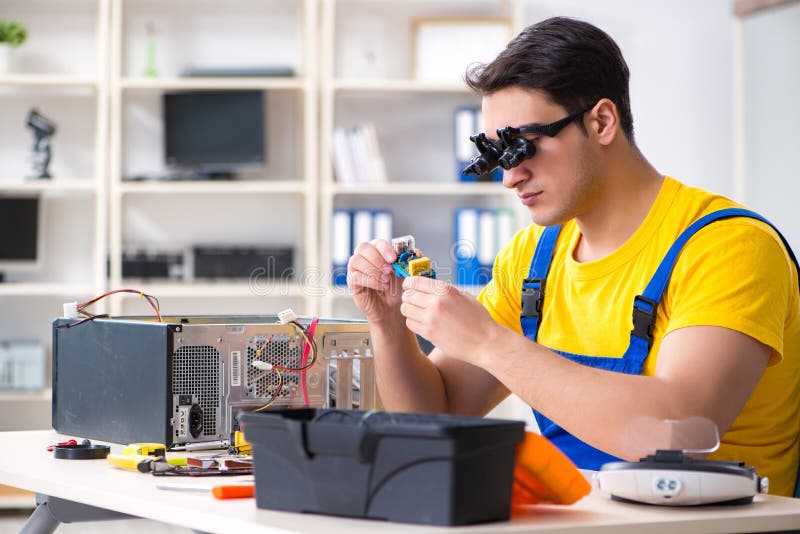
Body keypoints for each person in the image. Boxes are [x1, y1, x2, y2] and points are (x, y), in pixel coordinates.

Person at [346, 17, 800, 496]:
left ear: (601, 121)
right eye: (498, 155)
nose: (510, 177)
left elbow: (680, 430)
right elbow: (433, 417)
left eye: (524, 146)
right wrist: (390, 325)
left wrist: (489, 343)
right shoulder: (532, 260)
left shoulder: (728, 247)